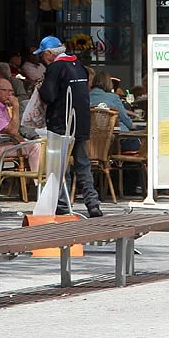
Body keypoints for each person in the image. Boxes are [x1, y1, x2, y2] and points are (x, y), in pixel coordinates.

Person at [36, 35, 101, 217]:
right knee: (83, 164)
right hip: (81, 122)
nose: (42, 59)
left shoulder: (55, 67)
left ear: (49, 54)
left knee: (60, 166)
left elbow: (48, 96)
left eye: (42, 55)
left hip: (61, 123)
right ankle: (93, 203)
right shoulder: (79, 65)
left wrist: (40, 87)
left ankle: (62, 206)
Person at [0, 78, 42, 172]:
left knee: (40, 143)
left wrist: (23, 141)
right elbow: (12, 131)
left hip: (2, 144)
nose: (10, 94)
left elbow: (12, 133)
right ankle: (38, 183)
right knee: (35, 147)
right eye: (7, 91)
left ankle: (38, 180)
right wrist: (16, 106)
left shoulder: (2, 106)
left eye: (11, 91)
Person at [88, 70, 139, 152]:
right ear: (108, 83)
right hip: (116, 141)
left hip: (93, 143)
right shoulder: (113, 97)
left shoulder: (86, 97)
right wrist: (133, 126)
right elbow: (125, 119)